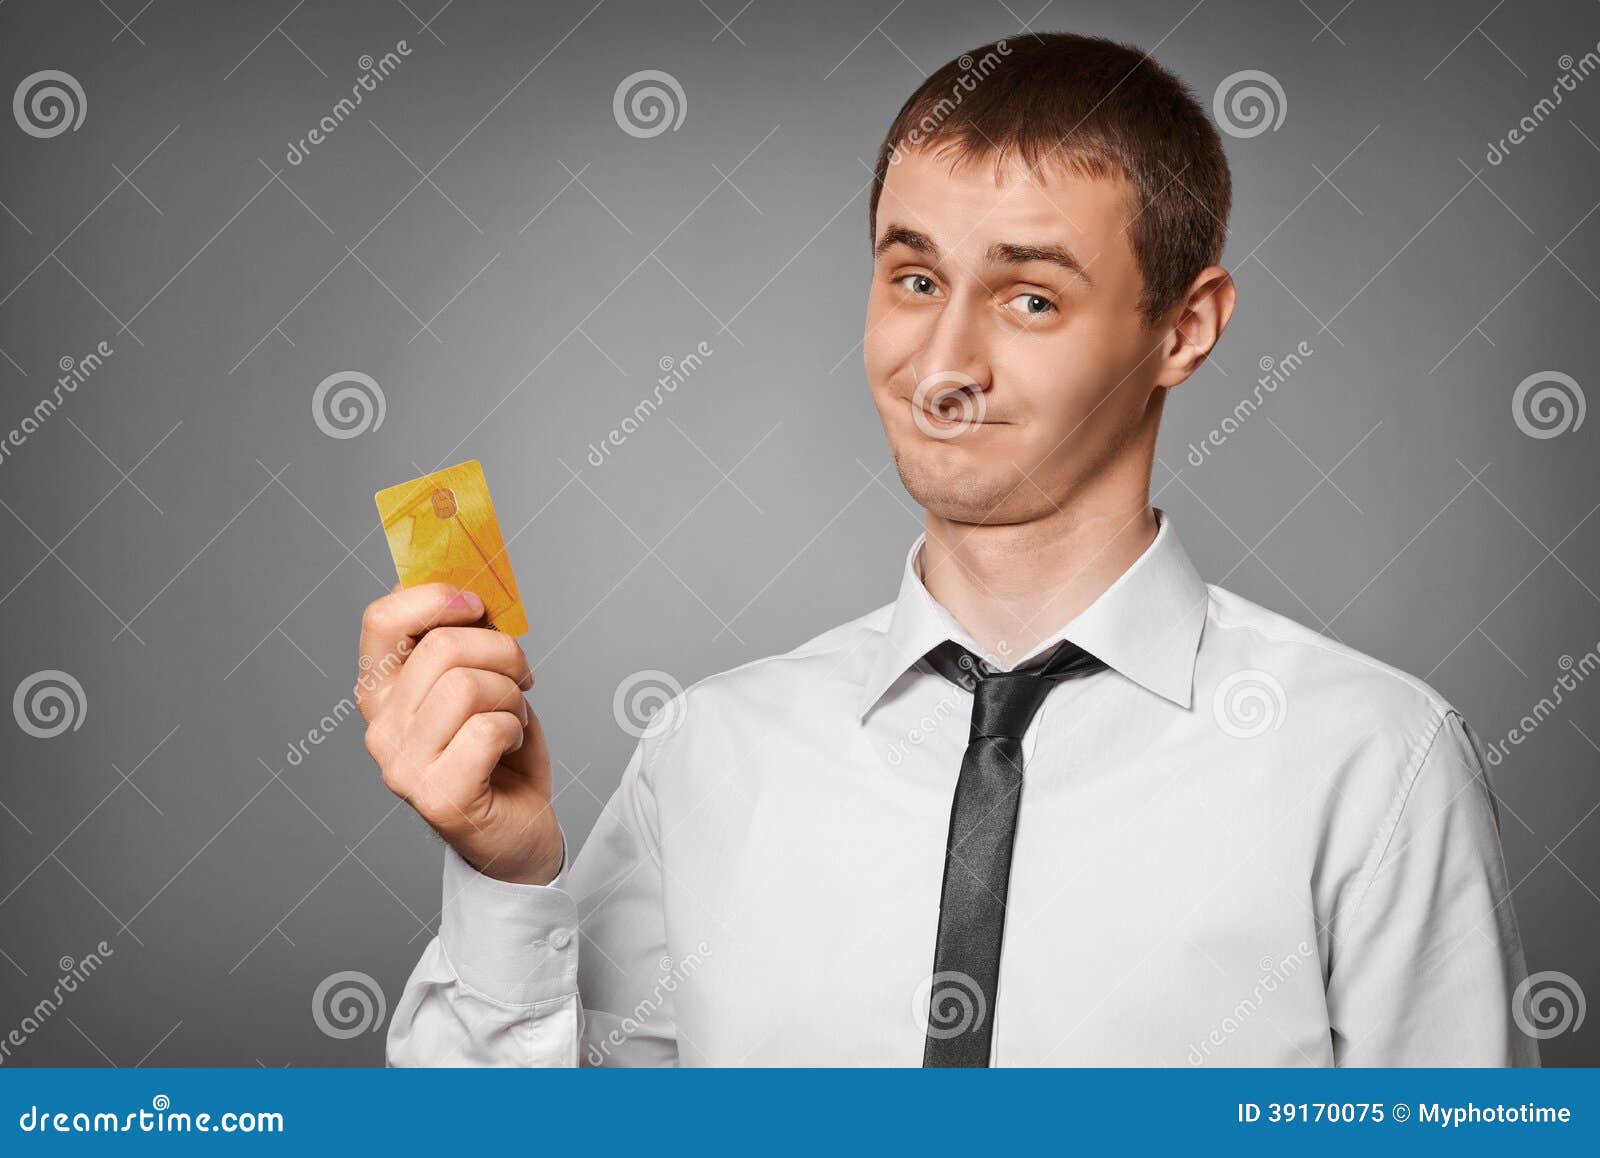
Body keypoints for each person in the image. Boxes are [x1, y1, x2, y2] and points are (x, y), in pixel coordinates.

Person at [358, 32, 1537, 1066]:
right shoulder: (709, 753)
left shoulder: (1373, 764)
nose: (943, 367)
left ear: (1185, 328)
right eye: (914, 279)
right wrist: (510, 878)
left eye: (1030, 299)